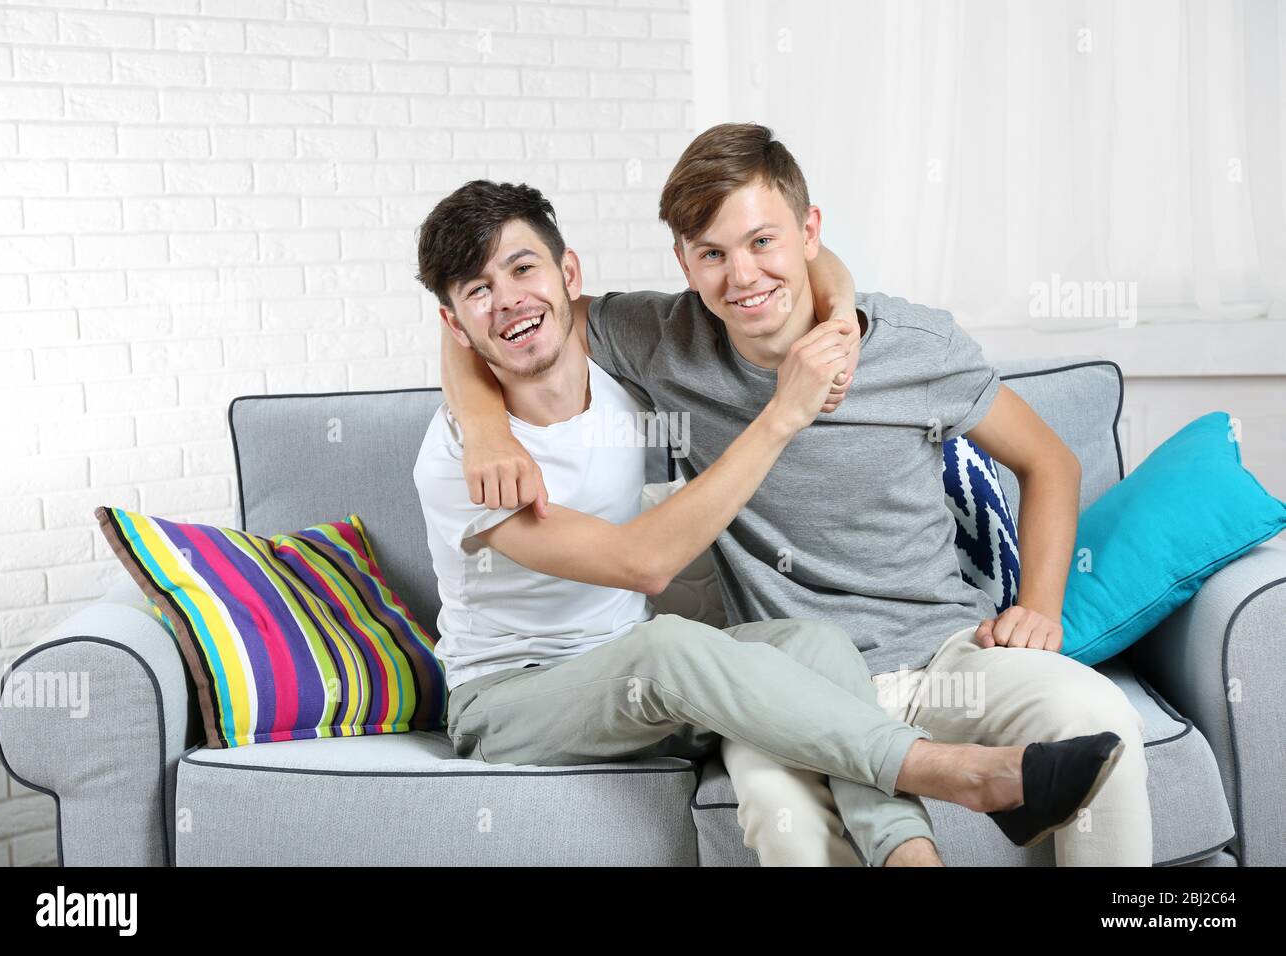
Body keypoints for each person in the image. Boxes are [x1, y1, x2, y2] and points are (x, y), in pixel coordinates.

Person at [443, 124, 1151, 867]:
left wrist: (1037, 606)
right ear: (683, 261)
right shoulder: (666, 340)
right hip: (786, 687)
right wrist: (486, 427)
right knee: (788, 824)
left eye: (762, 242)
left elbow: (1051, 463)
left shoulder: (915, 347)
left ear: (810, 232)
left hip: (948, 655)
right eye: (712, 254)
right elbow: (508, 322)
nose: (741, 276)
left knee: (1097, 718)